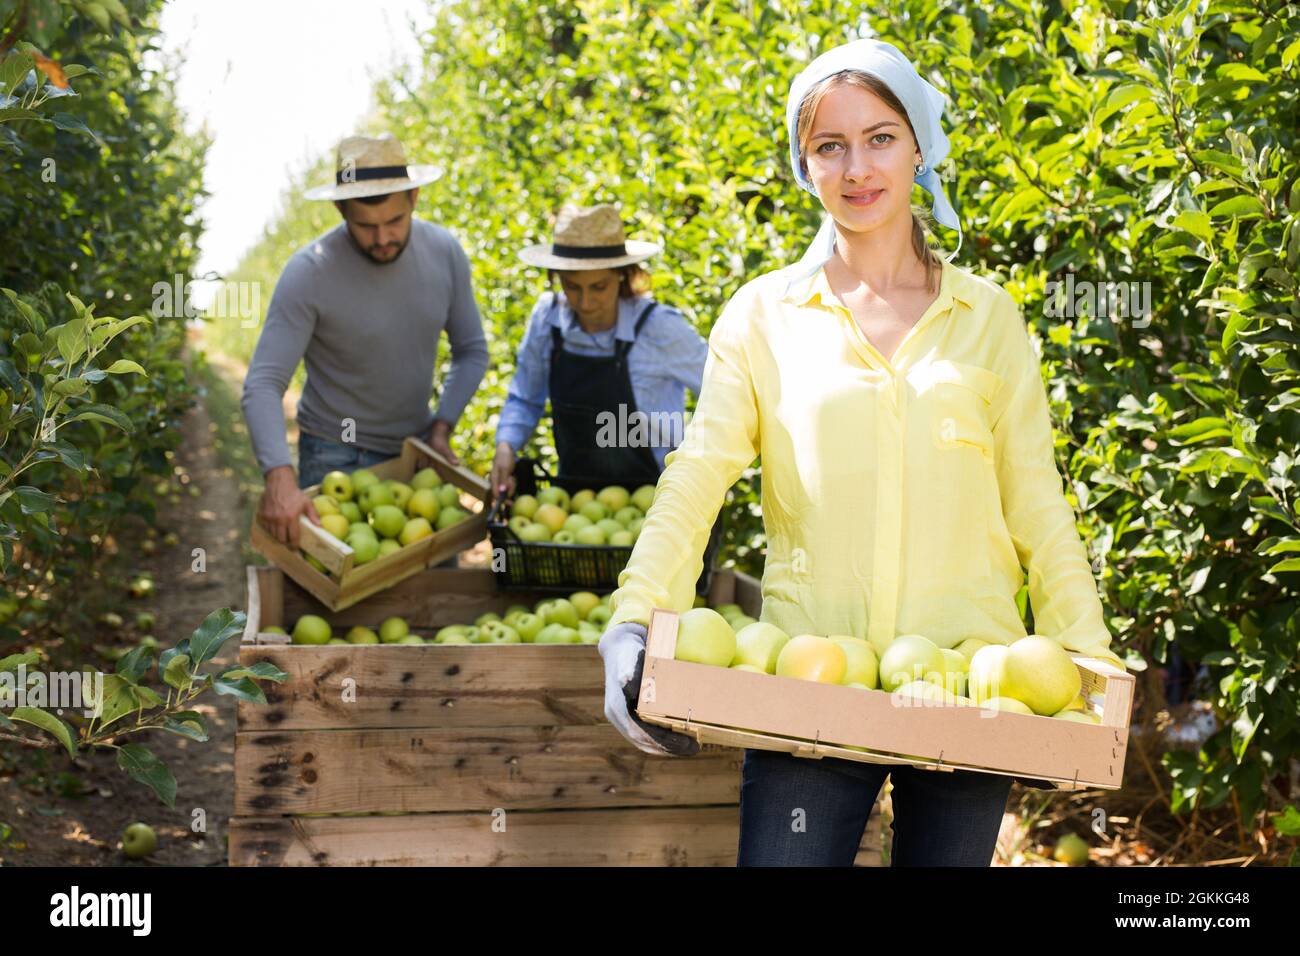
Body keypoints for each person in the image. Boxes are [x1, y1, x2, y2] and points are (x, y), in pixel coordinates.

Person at [597, 38, 1128, 866]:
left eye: (881, 137)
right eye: (829, 146)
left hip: (969, 685)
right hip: (809, 685)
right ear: (804, 164)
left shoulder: (989, 319)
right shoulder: (762, 316)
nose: (858, 168)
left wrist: (1086, 657)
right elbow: (699, 475)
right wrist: (633, 619)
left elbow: (1035, 499)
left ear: (921, 144)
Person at [242, 133, 489, 551]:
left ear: (413, 198)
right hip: (335, 457)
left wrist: (443, 425)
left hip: (416, 453)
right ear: (340, 209)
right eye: (365, 226)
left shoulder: (444, 253)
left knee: (431, 594)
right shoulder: (310, 272)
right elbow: (263, 384)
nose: (381, 239)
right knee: (334, 593)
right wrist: (279, 477)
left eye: (394, 222)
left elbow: (472, 350)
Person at [490, 203, 722, 587]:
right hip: (573, 515)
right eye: (571, 287)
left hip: (655, 512)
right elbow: (525, 398)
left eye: (598, 287)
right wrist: (506, 446)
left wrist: (704, 464)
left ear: (622, 276)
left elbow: (725, 394)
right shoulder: (547, 321)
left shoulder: (660, 329)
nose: (584, 302)